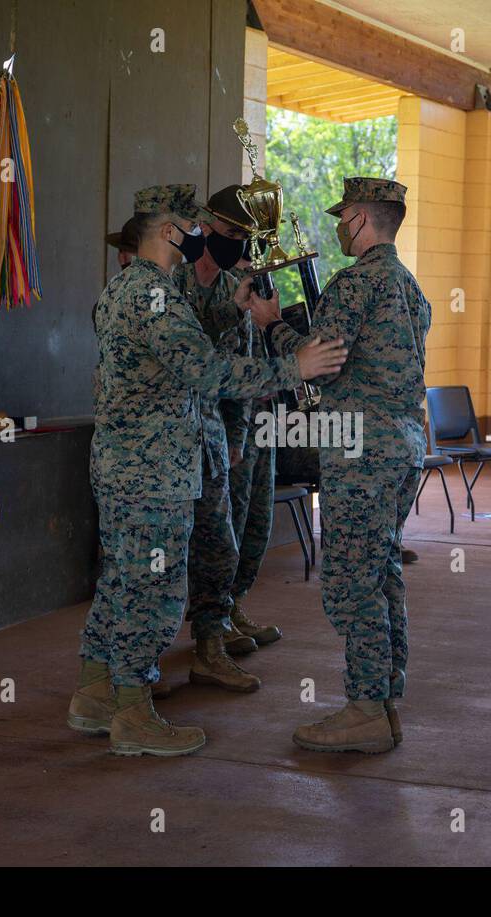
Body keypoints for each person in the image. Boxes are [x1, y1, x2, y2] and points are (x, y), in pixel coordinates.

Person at [70, 183, 346, 757]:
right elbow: (208, 373)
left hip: (125, 466)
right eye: (192, 225)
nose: (199, 236)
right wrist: (292, 366)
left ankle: (95, 694)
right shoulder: (156, 298)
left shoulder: (125, 289)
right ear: (170, 232)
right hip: (153, 472)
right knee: (154, 590)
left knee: (121, 581)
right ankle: (132, 714)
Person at [241, 177, 429, 753]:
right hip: (402, 445)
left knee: (350, 580)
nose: (337, 226)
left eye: (342, 215)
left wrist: (271, 323)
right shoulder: (408, 285)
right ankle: (384, 699)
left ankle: (365, 709)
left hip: (359, 451)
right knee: (381, 571)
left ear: (361, 219)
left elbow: (317, 363)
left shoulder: (355, 283)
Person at [171, 185, 265, 692]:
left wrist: (235, 437)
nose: (237, 245)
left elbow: (244, 374)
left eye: (244, 237)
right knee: (156, 556)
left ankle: (209, 647)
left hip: (209, 437)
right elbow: (191, 355)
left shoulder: (237, 286)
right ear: (204, 226)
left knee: (218, 548)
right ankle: (133, 666)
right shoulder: (172, 280)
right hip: (162, 439)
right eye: (230, 233)